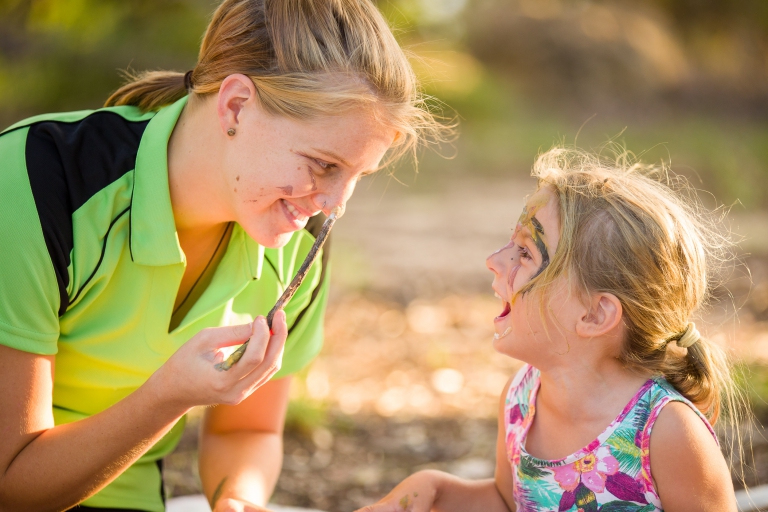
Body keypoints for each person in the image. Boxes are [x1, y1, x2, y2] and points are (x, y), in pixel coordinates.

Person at [0, 0, 446, 510]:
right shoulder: (33, 183)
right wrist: (167, 397)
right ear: (235, 105)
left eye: (357, 177)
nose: (336, 205)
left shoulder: (299, 243)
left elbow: (248, 430)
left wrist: (237, 499)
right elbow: (11, 483)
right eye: (324, 165)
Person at [359, 147, 739, 511]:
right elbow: (509, 503)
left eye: (525, 252)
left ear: (595, 314)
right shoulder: (521, 400)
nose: (494, 261)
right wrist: (433, 489)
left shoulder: (668, 433)